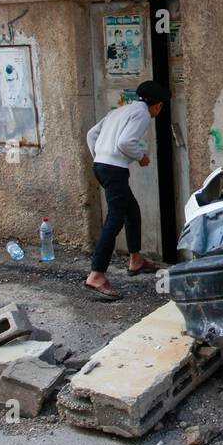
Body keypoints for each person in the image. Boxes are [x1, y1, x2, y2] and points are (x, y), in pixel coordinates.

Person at [83, 80, 169, 300]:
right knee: (115, 219)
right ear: (157, 105)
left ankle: (136, 259)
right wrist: (141, 156)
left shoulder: (121, 110)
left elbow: (92, 134)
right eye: (161, 106)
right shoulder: (142, 114)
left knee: (131, 210)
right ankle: (96, 274)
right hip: (114, 169)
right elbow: (125, 142)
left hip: (101, 166)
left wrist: (101, 156)